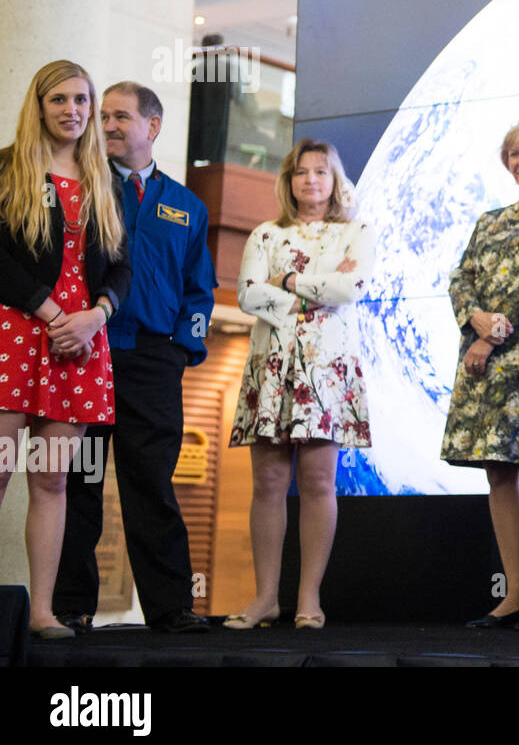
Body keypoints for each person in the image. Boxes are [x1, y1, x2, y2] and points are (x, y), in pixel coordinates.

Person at [53, 82, 217, 635]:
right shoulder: (84, 189)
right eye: (104, 117)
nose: (109, 125)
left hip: (152, 365)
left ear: (154, 126)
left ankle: (171, 608)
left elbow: (200, 290)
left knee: (151, 484)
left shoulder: (186, 206)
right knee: (81, 480)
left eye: (122, 116)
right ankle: (70, 608)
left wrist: (181, 350)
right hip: (86, 355)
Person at [0, 60, 129, 639]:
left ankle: (42, 611)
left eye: (81, 99)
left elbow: (122, 268)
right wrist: (50, 311)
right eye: (59, 99)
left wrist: (95, 315)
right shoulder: (7, 168)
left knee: (53, 481)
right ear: (40, 104)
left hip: (80, 343)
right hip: (16, 331)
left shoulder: (107, 177)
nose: (72, 110)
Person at [223, 139, 375, 630]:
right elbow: (247, 294)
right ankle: (266, 596)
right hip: (271, 366)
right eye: (301, 173)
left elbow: (349, 289)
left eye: (321, 172)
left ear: (335, 181)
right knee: (267, 483)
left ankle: (308, 599)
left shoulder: (355, 232)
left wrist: (287, 283)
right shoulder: (266, 234)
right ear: (288, 181)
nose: (311, 180)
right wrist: (311, 294)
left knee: (317, 483)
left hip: (326, 369)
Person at [442, 118, 519, 631]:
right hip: (485, 360)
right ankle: (516, 591)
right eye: (514, 153)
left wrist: (491, 331)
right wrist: (473, 319)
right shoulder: (490, 220)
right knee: (498, 470)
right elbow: (462, 276)